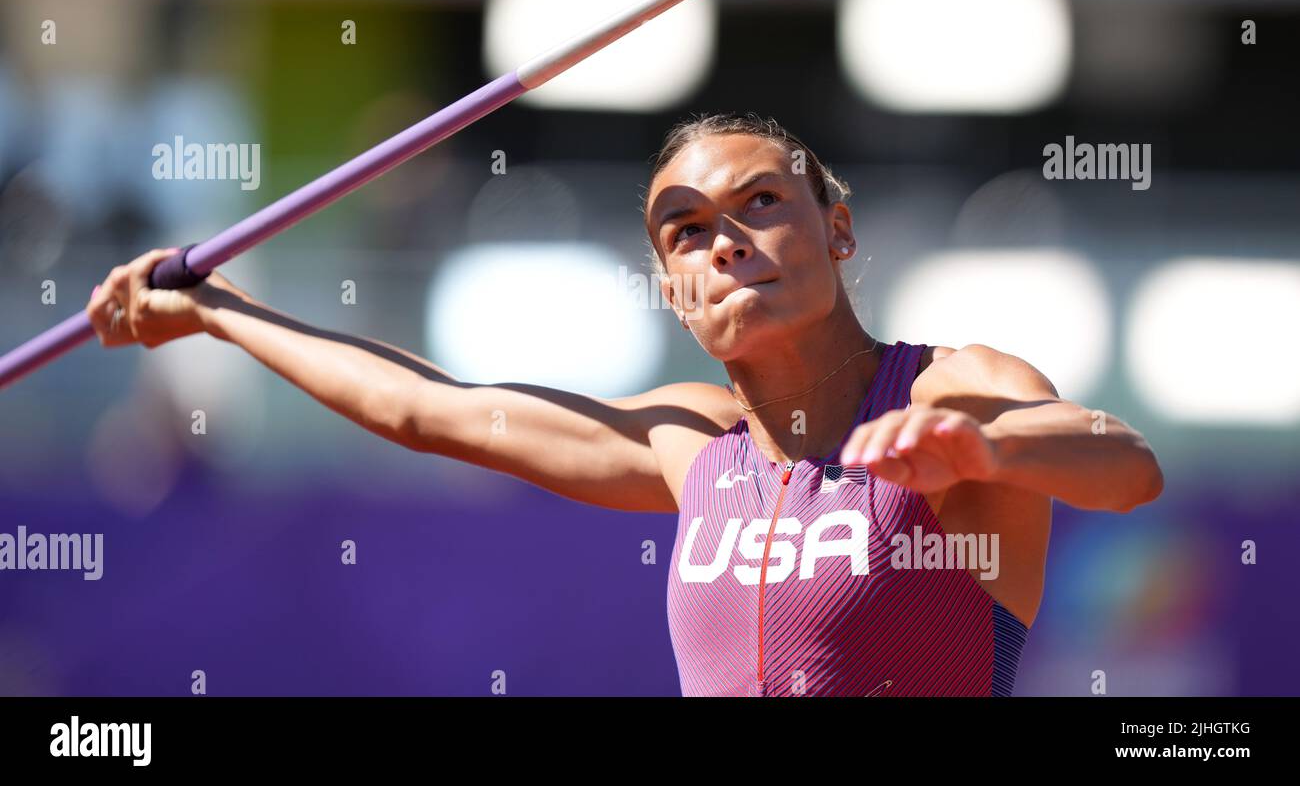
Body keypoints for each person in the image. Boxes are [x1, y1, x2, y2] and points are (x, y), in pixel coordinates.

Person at [86, 112, 1163, 696]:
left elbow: (1118, 461)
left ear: (838, 229)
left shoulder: (943, 386)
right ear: (671, 288)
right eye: (683, 228)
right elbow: (428, 408)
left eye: (759, 202)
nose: (723, 238)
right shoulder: (689, 443)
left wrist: (972, 446)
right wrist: (217, 310)